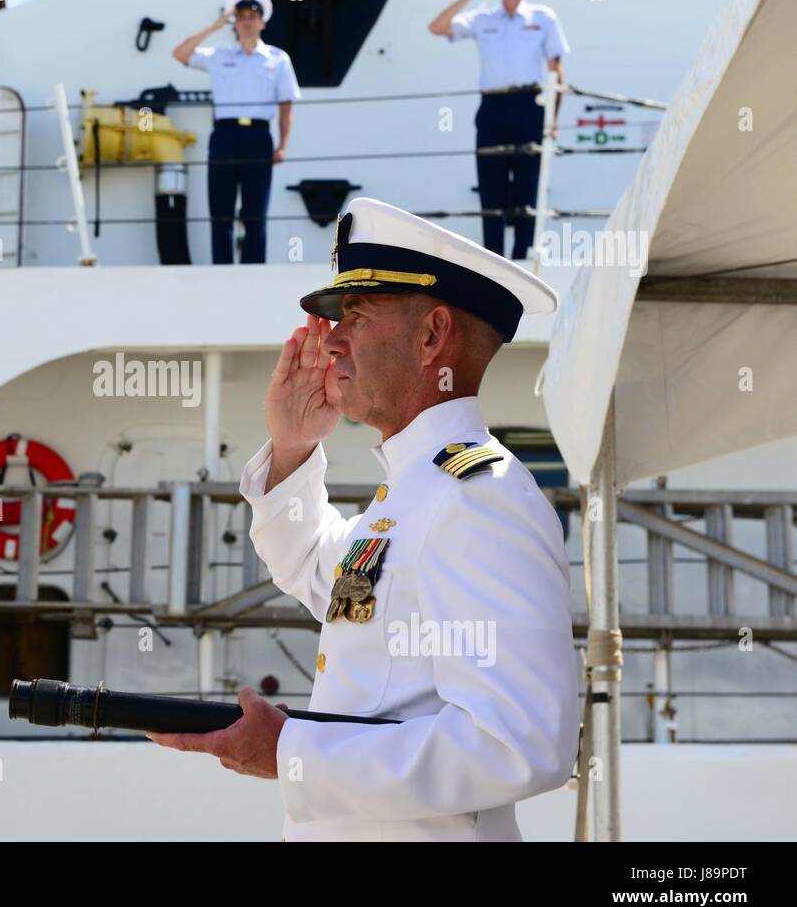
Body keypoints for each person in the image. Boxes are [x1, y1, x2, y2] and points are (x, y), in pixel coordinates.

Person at [147, 197, 580, 842]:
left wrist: (293, 755)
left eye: (356, 315)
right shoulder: (419, 490)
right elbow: (329, 579)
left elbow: (519, 741)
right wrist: (293, 447)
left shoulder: (476, 498)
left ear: (433, 335)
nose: (333, 340)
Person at [427, 0, 569, 260]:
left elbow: (557, 71)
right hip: (492, 107)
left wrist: (553, 120)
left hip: (530, 105)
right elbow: (437, 27)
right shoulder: (482, 18)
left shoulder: (543, 18)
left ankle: (522, 255)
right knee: (491, 187)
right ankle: (493, 260)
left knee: (526, 186)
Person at [172, 0, 300, 264]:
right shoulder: (219, 56)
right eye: (240, 16)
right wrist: (215, 25)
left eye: (253, 15)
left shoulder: (278, 59)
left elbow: (286, 105)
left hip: (258, 136)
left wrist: (283, 145)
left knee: (255, 211)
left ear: (262, 21)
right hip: (224, 136)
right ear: (234, 22)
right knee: (220, 209)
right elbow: (180, 53)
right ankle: (222, 268)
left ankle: (253, 268)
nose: (247, 21)